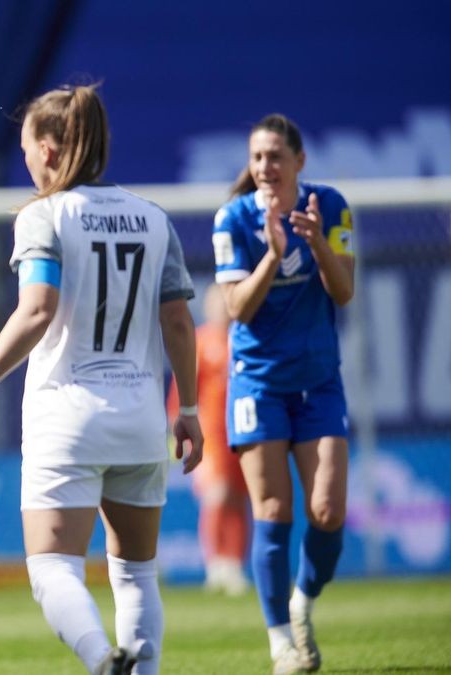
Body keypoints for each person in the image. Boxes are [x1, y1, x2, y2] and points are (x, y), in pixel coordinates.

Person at [0, 84, 202, 675]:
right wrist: (188, 409)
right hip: (141, 419)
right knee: (136, 572)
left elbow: (37, 309)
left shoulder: (45, 215)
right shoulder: (153, 218)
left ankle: (100, 658)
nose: (28, 163)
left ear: (50, 149)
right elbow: (178, 322)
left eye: (28, 150)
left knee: (53, 568)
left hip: (68, 417)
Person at [213, 113, 355, 675]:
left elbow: (344, 292)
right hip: (259, 383)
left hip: (318, 382)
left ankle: (302, 603)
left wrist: (315, 242)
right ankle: (280, 643)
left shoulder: (331, 206)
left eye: (275, 156)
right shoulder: (233, 219)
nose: (265, 166)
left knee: (327, 511)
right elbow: (236, 308)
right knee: (272, 510)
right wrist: (273, 254)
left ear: (299, 161)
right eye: (256, 157)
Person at [167, 283, 250, 596]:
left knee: (239, 498)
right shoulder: (200, 342)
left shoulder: (244, 339)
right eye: (218, 303)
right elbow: (182, 391)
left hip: (243, 429)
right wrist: (180, 426)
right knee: (217, 495)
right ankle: (216, 565)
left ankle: (235, 565)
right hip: (210, 432)